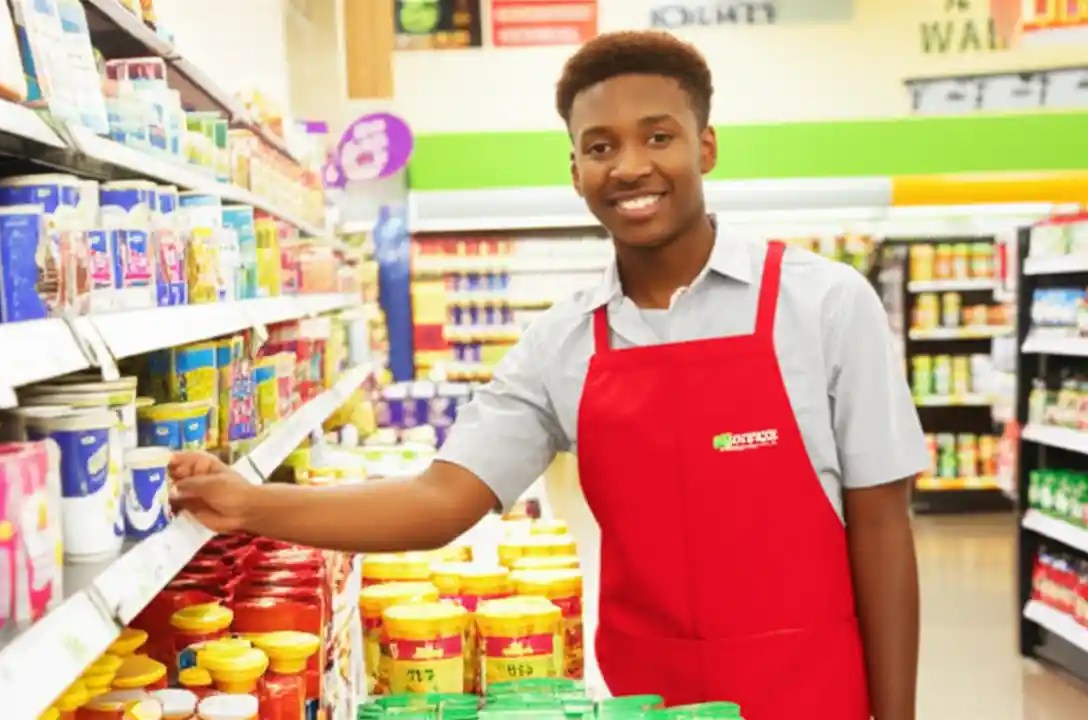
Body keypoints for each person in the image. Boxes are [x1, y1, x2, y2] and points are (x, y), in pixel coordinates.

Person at [171, 29, 924, 720]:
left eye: (658, 137)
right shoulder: (561, 344)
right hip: (646, 698)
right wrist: (249, 503)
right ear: (574, 170)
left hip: (811, 694)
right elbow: (438, 502)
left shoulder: (825, 305)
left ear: (707, 146)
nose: (630, 166)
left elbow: (884, 533)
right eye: (600, 147)